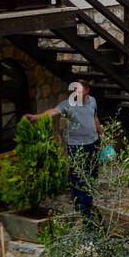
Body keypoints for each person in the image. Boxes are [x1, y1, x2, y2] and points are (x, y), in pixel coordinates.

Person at [27, 80, 101, 216]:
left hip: (92, 143)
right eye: (74, 90)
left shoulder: (93, 101)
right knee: (77, 176)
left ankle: (89, 203)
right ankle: (80, 207)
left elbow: (95, 117)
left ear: (87, 91)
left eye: (79, 91)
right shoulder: (69, 104)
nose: (76, 93)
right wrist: (36, 117)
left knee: (91, 174)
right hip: (76, 146)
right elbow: (54, 111)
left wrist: (102, 134)